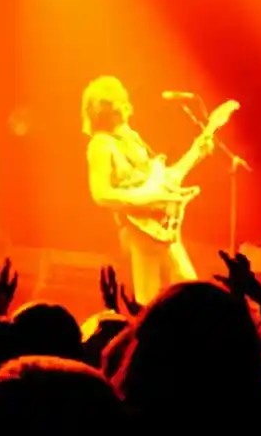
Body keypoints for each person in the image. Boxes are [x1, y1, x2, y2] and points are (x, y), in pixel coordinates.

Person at [82, 75, 211, 303]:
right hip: (138, 229)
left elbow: (165, 181)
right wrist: (145, 198)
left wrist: (195, 154)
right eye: (116, 101)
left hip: (160, 228)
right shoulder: (101, 144)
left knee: (190, 292)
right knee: (150, 302)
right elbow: (100, 194)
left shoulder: (133, 139)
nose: (124, 105)